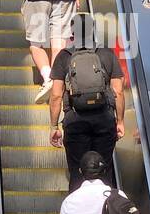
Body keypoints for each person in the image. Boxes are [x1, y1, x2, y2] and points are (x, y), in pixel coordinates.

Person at [49, 14, 125, 191]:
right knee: (104, 170)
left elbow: (56, 96)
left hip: (75, 120)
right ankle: (105, 213)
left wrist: (54, 126)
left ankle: (77, 211)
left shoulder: (64, 56)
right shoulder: (106, 54)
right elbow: (119, 91)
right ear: (93, 31)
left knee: (77, 172)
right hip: (104, 120)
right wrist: (120, 121)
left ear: (72, 34)